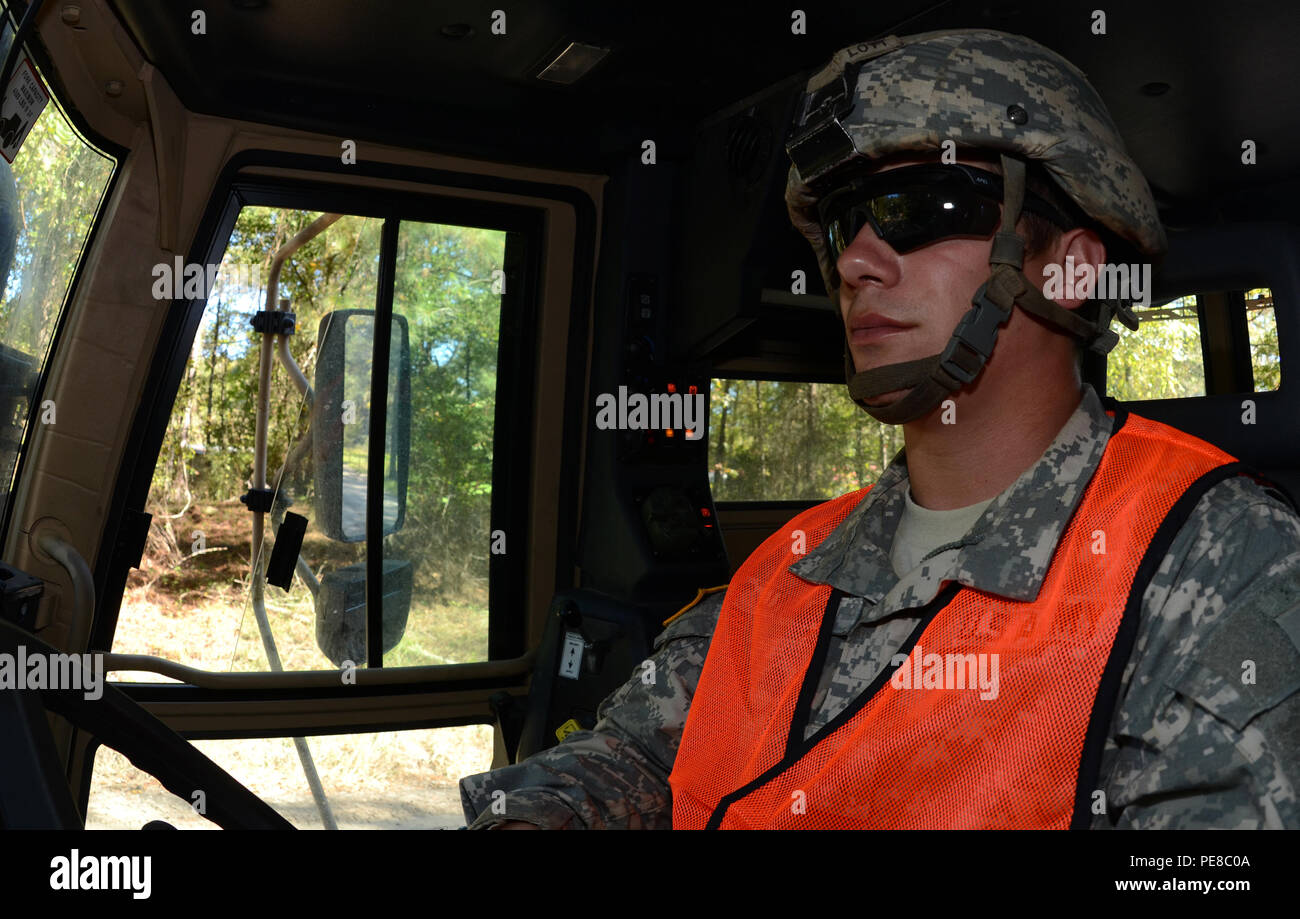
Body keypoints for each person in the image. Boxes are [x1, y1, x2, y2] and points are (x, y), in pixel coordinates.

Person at [459, 28, 1300, 829]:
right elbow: (636, 755)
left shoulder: (1222, 563)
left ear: (1074, 268)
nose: (857, 262)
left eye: (921, 206)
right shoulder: (789, 571)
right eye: (842, 226)